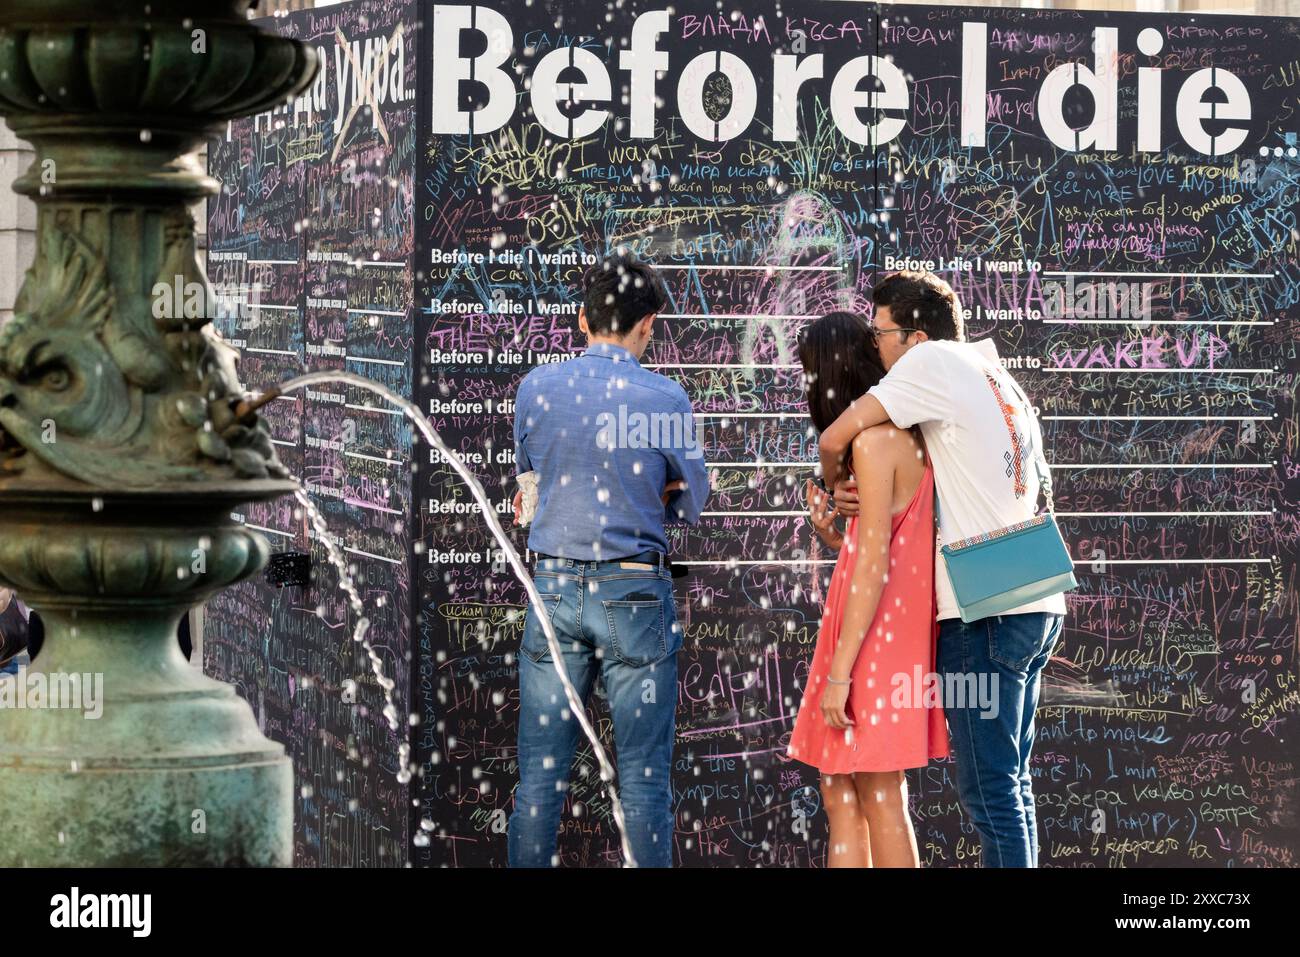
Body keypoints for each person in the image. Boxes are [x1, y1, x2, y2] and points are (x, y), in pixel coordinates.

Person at [817, 271, 1066, 868]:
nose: (875, 347)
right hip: (1036, 594)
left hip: (984, 609)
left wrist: (832, 486)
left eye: (880, 333)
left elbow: (834, 437)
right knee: (1011, 784)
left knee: (990, 791)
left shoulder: (932, 364)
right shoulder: (993, 372)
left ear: (916, 338)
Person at [507, 249, 710, 867]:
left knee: (539, 782)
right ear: (648, 325)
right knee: (643, 783)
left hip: (552, 588)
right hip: (635, 593)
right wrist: (656, 492)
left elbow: (530, 482)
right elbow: (693, 501)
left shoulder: (536, 388)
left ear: (581, 319)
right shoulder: (665, 398)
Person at [787, 312, 949, 867]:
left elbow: (878, 564)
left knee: (878, 792)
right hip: (871, 628)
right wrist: (836, 536)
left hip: (874, 639)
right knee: (842, 790)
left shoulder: (877, 442)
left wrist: (839, 675)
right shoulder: (892, 439)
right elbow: (881, 549)